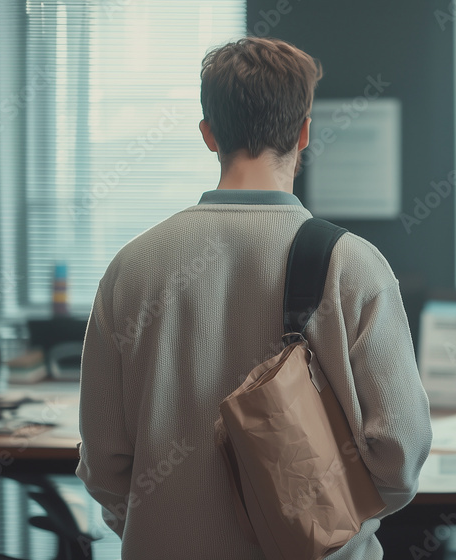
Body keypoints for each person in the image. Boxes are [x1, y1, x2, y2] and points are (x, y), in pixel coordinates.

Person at [75, 37, 432, 559]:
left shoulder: (131, 267)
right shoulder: (351, 264)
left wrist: (165, 519)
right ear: (305, 132)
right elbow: (400, 451)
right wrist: (325, 518)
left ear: (208, 134)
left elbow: (104, 463)